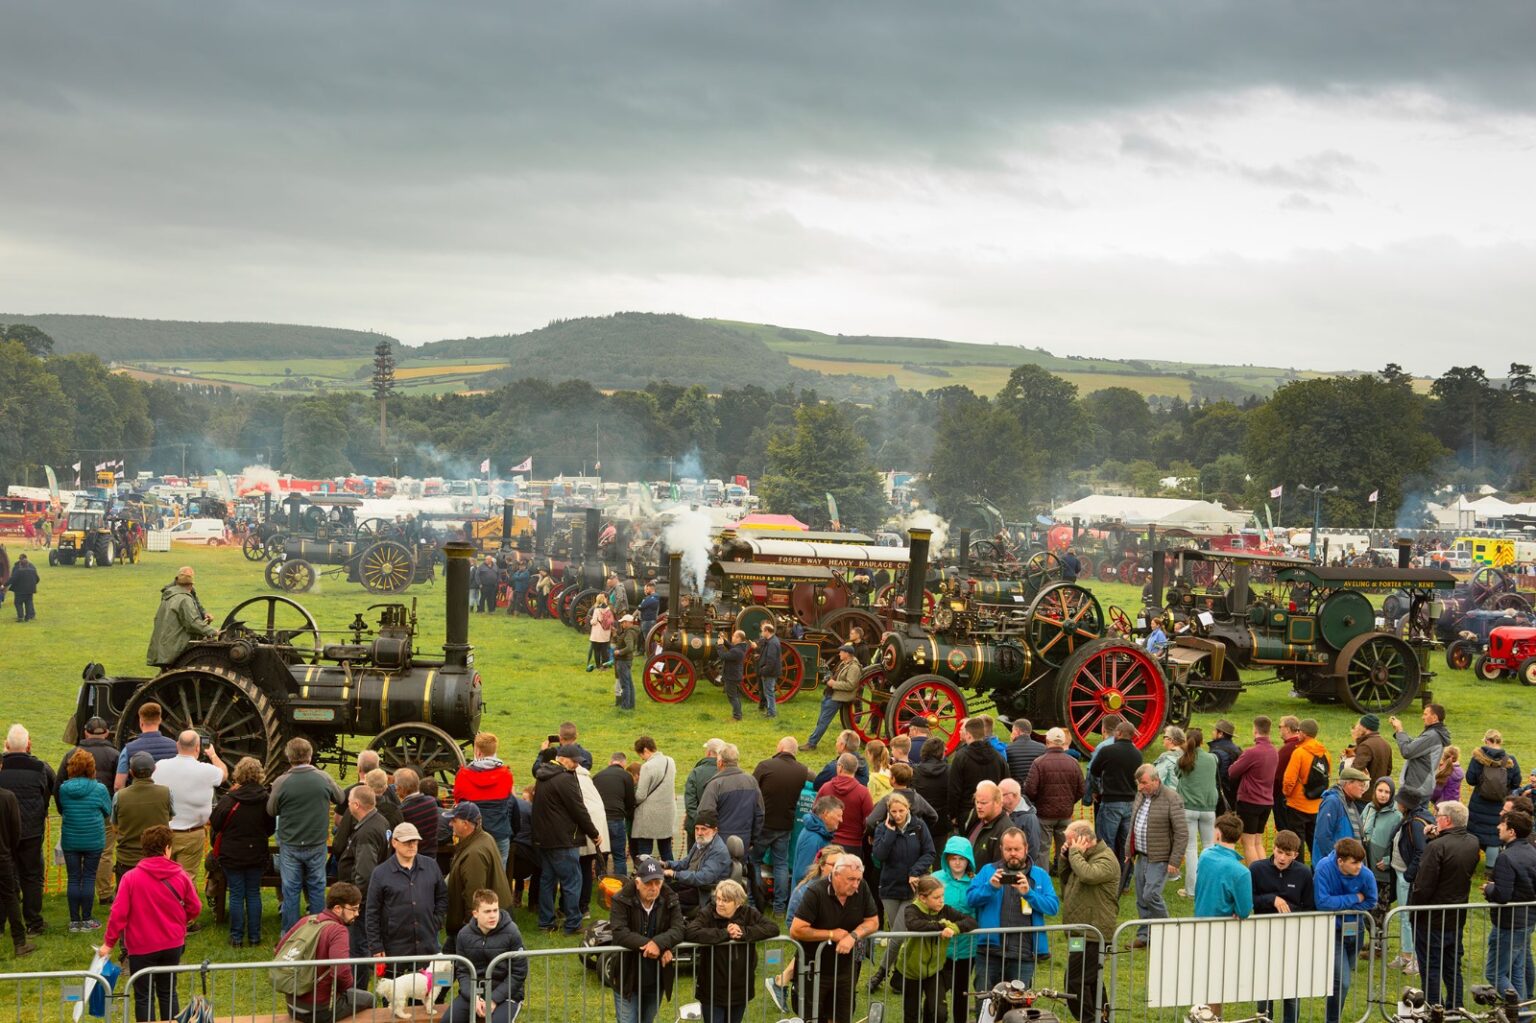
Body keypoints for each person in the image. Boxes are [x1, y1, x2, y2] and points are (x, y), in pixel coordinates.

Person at [97, 825, 201, 1023]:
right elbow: (195, 907)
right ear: (167, 848)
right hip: (172, 944)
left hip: (141, 947)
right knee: (169, 992)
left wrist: (108, 944)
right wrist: (180, 922)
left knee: (143, 996)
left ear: (144, 849)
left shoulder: (130, 878)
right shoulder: (181, 876)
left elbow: (118, 914)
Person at [790, 854, 880, 1023]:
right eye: (851, 879)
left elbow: (873, 922)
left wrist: (853, 936)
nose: (855, 884)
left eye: (858, 879)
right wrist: (831, 934)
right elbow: (796, 930)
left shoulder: (862, 889)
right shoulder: (815, 892)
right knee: (812, 1018)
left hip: (845, 969)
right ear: (836, 875)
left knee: (841, 1017)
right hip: (814, 968)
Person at [269, 737, 345, 933]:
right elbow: (340, 798)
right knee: (317, 887)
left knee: (291, 889)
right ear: (310, 756)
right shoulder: (323, 778)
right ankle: (318, 931)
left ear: (289, 757)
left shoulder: (281, 782)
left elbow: (271, 810)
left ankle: (291, 933)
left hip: (291, 843)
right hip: (316, 841)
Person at [967, 827, 1058, 990]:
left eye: (1017, 849)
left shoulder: (1040, 875)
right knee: (987, 1005)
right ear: (1001, 849)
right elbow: (971, 899)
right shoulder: (988, 871)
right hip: (989, 951)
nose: (1013, 853)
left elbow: (1053, 907)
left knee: (1019, 1009)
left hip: (1023, 953)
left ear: (1026, 848)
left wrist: (1029, 894)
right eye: (1008, 849)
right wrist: (990, 887)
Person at [1410, 800, 1480, 1009]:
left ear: (1447, 820)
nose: (1435, 819)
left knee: (1430, 967)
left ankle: (1434, 1011)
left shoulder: (1436, 847)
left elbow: (1423, 886)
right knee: (1452, 967)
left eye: (1438, 816)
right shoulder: (1473, 842)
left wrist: (1414, 911)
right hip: (1456, 916)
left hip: (1431, 917)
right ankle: (1455, 1008)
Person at [277, 883, 375, 1023]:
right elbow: (341, 971)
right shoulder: (338, 931)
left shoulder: (308, 920)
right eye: (353, 909)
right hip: (320, 1010)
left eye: (358, 909)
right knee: (369, 999)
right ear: (337, 908)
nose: (357, 914)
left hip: (292, 1006)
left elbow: (279, 949)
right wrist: (344, 991)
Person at [686, 878, 780, 1023]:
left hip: (740, 989)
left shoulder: (749, 913)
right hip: (712, 990)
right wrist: (725, 934)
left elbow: (773, 928)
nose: (720, 903)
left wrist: (744, 932)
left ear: (738, 903)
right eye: (718, 898)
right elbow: (691, 931)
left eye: (725, 900)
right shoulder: (707, 912)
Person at [866, 793, 936, 990]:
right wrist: (889, 832)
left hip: (912, 890)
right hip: (889, 888)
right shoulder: (882, 828)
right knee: (898, 936)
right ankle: (899, 979)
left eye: (901, 811)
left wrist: (915, 872)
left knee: (897, 935)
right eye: (893, 811)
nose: (897, 815)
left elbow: (929, 852)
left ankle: (879, 974)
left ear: (908, 809)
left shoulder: (920, 826)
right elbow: (879, 855)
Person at [532, 743, 602, 934]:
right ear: (563, 759)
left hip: (544, 839)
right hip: (563, 839)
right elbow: (578, 809)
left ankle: (546, 922)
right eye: (574, 762)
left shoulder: (543, 775)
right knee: (572, 880)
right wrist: (594, 833)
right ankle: (573, 923)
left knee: (547, 880)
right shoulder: (565, 779)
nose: (576, 766)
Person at [152, 729, 228, 901]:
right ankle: (185, 919)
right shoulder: (206, 770)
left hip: (164, 832)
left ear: (177, 745)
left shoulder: (159, 766)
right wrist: (214, 756)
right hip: (192, 833)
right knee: (187, 878)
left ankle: (163, 914)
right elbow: (224, 774)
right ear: (198, 748)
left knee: (163, 877)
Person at [209, 756, 275, 948]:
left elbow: (216, 822)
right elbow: (270, 827)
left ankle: (236, 937)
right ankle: (254, 936)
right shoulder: (265, 799)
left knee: (237, 894)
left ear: (239, 774)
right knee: (253, 893)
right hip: (257, 853)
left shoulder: (230, 799)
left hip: (232, 854)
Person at [893, 875, 978, 1023]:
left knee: (940, 1013)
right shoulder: (911, 909)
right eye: (936, 897)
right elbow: (914, 924)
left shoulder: (945, 909)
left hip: (934, 969)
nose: (941, 900)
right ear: (922, 898)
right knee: (911, 1014)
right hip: (911, 971)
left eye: (942, 896)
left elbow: (970, 921)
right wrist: (942, 926)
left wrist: (955, 927)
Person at [611, 858, 685, 1023]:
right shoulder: (621, 898)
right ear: (637, 883)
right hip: (627, 977)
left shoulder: (670, 897)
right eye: (648, 883)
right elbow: (619, 931)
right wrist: (654, 946)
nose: (654, 888)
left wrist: (659, 943)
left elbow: (679, 928)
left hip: (656, 978)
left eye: (657, 883)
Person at [365, 822, 448, 970]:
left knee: (430, 990)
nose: (411, 845)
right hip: (395, 947)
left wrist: (435, 921)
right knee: (394, 991)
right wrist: (376, 946)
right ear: (394, 842)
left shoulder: (431, 866)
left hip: (427, 944)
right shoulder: (380, 873)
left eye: (414, 841)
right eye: (407, 842)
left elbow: (442, 896)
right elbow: (372, 912)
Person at [1058, 820, 1118, 1022]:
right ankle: (1102, 1018)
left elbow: (1087, 875)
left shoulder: (1105, 859)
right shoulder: (1081, 857)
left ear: (1083, 840)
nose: (1068, 846)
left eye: (1070, 842)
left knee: (1074, 982)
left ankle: (1089, 1019)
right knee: (1092, 981)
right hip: (1080, 933)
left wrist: (1074, 854)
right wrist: (1065, 858)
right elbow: (1066, 879)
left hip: (1095, 934)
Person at [1251, 830, 1314, 1023]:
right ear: (1273, 848)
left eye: (1288, 854)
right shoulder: (1257, 869)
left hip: (1292, 936)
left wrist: (1290, 909)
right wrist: (1272, 899)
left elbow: (1309, 906)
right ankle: (1264, 1018)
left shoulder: (1303, 872)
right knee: (1264, 984)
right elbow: (1249, 899)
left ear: (1296, 854)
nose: (1282, 858)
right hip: (1263, 934)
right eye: (1279, 852)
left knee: (1292, 986)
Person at [57, 716, 120, 908]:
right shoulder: (115, 754)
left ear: (85, 732)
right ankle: (104, 893)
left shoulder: (71, 754)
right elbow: (120, 785)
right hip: (103, 813)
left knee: (76, 864)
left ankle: (79, 903)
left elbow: (58, 784)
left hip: (74, 815)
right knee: (105, 854)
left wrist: (64, 810)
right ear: (107, 733)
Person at [0, 724, 55, 935]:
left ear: (6, 744)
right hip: (31, 830)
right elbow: (50, 791)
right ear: (29, 745)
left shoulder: (2, 767)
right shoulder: (41, 768)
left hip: (3, 832)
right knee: (32, 876)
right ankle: (34, 922)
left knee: (5, 875)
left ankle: (3, 922)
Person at [1315, 838, 1377, 1023]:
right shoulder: (1323, 868)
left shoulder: (1365, 874)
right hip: (1332, 930)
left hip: (1355, 930)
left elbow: (1371, 901)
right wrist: (1354, 898)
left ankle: (1333, 1016)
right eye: (1354, 863)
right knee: (1342, 981)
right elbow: (1323, 903)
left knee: (1342, 979)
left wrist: (1342, 904)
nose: (1359, 867)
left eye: (1361, 862)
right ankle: (1332, 1020)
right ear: (1340, 861)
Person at [443, 889, 527, 1023]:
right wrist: (473, 997)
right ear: (475, 913)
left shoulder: (512, 932)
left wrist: (493, 999)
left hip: (507, 995)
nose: (493, 915)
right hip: (474, 993)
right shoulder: (463, 935)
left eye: (495, 910)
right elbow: (463, 971)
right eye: (487, 911)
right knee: (448, 1020)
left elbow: (518, 972)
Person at [1127, 764, 1187, 945]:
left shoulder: (1172, 798)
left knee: (1150, 894)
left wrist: (1175, 860)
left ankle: (1167, 931)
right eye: (1138, 783)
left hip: (1160, 858)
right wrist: (1128, 850)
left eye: (1144, 783)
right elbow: (1133, 824)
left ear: (1156, 780)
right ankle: (1145, 936)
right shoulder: (1140, 795)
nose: (1140, 787)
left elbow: (1182, 832)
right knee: (1141, 897)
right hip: (1141, 856)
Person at [55, 748, 113, 933]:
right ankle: (87, 919)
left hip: (71, 838)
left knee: (73, 878)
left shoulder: (64, 789)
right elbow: (107, 810)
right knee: (88, 877)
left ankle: (74, 921)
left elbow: (62, 808)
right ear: (91, 767)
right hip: (93, 838)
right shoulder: (100, 788)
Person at [753, 736, 812, 914]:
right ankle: (780, 907)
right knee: (781, 865)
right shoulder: (802, 771)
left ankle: (755, 902)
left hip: (763, 825)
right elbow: (817, 780)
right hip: (786, 826)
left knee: (754, 861)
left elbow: (751, 788)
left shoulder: (765, 766)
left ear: (780, 748)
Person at [1482, 810, 1536, 1001]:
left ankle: (1517, 1011)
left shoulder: (1506, 857)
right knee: (1517, 970)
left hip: (1509, 923)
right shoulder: (1532, 851)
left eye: (1502, 824)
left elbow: (1502, 895)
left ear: (1511, 831)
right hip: (1527, 921)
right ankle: (1522, 1017)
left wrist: (1489, 889)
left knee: (1494, 973)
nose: (1498, 827)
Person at [445, 802, 514, 946]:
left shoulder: (474, 854)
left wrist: (469, 931)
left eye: (454, 820)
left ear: (465, 824)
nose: (450, 824)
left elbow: (474, 895)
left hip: (479, 927)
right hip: (492, 919)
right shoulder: (484, 838)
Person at [1024, 727, 1083, 871]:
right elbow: (1081, 789)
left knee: (1042, 850)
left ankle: (1042, 885)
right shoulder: (1073, 763)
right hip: (1065, 814)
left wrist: (1039, 802)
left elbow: (1030, 790)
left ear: (1047, 741)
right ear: (1063, 742)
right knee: (1065, 851)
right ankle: (1066, 884)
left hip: (1044, 815)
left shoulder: (1039, 762)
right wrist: (1069, 802)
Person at [454, 731, 518, 864]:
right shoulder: (506, 775)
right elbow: (509, 799)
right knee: (498, 879)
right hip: (499, 833)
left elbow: (458, 801)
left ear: (477, 752)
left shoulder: (463, 775)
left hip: (473, 835)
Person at [112, 751, 172, 884]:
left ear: (131, 772)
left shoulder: (120, 796)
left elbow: (115, 827)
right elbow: (170, 817)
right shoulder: (165, 792)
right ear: (154, 769)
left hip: (127, 859)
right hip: (157, 859)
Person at [1089, 720, 1141, 868]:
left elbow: (1093, 772)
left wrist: (1095, 790)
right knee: (1126, 844)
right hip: (1131, 802)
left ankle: (1107, 873)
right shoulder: (1137, 754)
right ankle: (1124, 880)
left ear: (1118, 733)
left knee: (1106, 841)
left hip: (1111, 800)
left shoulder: (1107, 751)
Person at [698, 742, 764, 858]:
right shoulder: (752, 781)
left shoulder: (715, 784)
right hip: (743, 841)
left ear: (720, 762)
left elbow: (705, 815)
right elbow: (759, 814)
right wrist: (752, 839)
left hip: (719, 843)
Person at [1467, 730, 1521, 870]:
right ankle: (1490, 869)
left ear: (1486, 741)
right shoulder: (1510, 760)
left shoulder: (1478, 758)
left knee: (1474, 834)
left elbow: (1470, 780)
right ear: (1500, 741)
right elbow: (1517, 782)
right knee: (1493, 837)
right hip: (1499, 805)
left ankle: (1469, 864)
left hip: (1478, 802)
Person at [1228, 715, 1279, 864]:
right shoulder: (1273, 751)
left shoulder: (1252, 752)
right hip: (1267, 802)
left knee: (1248, 843)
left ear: (1254, 730)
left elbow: (1232, 772)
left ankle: (1255, 877)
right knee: (1258, 841)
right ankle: (1265, 874)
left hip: (1250, 801)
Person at [145, 566, 217, 666]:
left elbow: (196, 606)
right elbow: (192, 623)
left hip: (165, 643)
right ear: (191, 585)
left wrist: (204, 614)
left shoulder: (170, 594)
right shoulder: (184, 599)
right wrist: (213, 631)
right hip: (175, 646)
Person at [662, 810, 732, 910]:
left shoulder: (719, 851)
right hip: (691, 884)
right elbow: (685, 863)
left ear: (715, 830)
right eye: (697, 828)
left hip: (703, 892)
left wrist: (674, 874)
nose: (699, 833)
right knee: (662, 890)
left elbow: (703, 878)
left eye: (704, 829)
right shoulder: (701, 842)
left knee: (666, 898)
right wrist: (666, 864)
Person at [1280, 719, 1328, 862]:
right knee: (1314, 842)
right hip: (1316, 804)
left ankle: (1298, 871)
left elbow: (1289, 780)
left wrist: (1287, 794)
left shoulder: (1299, 753)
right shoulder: (1325, 753)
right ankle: (1318, 869)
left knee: (1296, 842)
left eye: (1299, 731)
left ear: (1304, 733)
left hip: (1297, 804)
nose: (1298, 733)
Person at [948, 719, 1005, 831]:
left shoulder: (960, 757)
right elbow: (1004, 785)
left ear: (968, 735)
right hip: (993, 813)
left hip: (967, 813)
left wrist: (953, 815)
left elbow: (954, 789)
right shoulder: (998, 757)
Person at [631, 736, 677, 862]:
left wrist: (631, 801)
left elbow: (641, 795)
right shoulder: (670, 761)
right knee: (666, 851)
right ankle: (671, 878)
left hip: (649, 816)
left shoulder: (647, 766)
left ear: (645, 750)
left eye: (641, 754)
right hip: (667, 812)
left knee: (645, 854)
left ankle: (647, 880)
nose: (642, 758)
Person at [113, 702, 178, 790]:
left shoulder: (128, 749)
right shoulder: (175, 746)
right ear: (159, 720)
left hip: (138, 799)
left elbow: (118, 785)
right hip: (168, 799)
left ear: (141, 722)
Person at [1312, 766, 1370, 866]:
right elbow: (1323, 837)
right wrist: (1339, 861)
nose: (1363, 789)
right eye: (1361, 785)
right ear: (1348, 783)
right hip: (1333, 867)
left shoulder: (1350, 803)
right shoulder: (1332, 802)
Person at [820, 753, 875, 857]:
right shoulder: (863, 792)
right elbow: (869, 821)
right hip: (853, 846)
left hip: (827, 842)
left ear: (840, 767)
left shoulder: (825, 788)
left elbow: (815, 814)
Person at [1391, 704, 1450, 800]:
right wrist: (1399, 733)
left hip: (1416, 788)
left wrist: (1400, 731)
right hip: (1422, 786)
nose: (1422, 717)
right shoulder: (1435, 733)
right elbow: (1417, 746)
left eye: (1425, 714)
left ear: (1434, 717)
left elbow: (1407, 751)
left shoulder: (1432, 735)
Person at [0, 782, 31, 958]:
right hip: (3, 855)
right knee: (10, 896)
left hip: (4, 854)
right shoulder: (7, 797)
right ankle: (20, 943)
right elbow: (15, 829)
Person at [595, 751, 638, 876]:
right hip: (616, 820)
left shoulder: (597, 776)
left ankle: (601, 885)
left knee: (601, 857)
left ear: (610, 762)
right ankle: (621, 887)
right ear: (623, 763)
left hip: (600, 821)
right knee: (619, 857)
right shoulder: (626, 776)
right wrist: (629, 817)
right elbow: (630, 802)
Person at [809, 644, 859, 750]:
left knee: (823, 721)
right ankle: (812, 741)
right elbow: (837, 676)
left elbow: (851, 685)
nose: (839, 653)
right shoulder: (844, 663)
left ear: (847, 654)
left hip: (837, 697)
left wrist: (833, 684)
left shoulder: (854, 667)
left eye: (841, 652)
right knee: (821, 720)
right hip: (831, 694)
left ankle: (811, 743)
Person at [794, 796, 844, 882]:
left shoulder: (820, 833)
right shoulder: (813, 839)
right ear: (826, 813)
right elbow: (803, 875)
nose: (841, 820)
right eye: (838, 815)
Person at [912, 739, 951, 850]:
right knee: (939, 855)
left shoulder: (915, 772)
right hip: (942, 820)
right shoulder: (949, 771)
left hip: (921, 819)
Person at [685, 738, 724, 848]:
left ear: (708, 752)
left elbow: (690, 803)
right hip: (720, 829)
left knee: (694, 861)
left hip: (697, 829)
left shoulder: (696, 772)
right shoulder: (727, 773)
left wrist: (700, 824)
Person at [394, 769, 440, 862]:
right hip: (431, 857)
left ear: (401, 789)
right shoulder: (431, 803)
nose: (396, 790)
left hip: (412, 860)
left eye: (397, 787)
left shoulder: (403, 811)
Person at [1208, 719, 1242, 815]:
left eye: (1215, 730)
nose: (1212, 732)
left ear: (1220, 734)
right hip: (1233, 795)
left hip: (1220, 798)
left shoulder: (1217, 752)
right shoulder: (1237, 749)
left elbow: (1216, 777)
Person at [1351, 714, 1394, 785]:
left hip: (1365, 792)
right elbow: (1388, 770)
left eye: (1361, 725)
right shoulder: (1386, 744)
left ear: (1365, 727)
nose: (1359, 727)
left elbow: (1355, 771)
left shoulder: (1365, 746)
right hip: (1379, 790)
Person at [717, 629, 749, 721]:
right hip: (735, 675)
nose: (732, 637)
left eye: (734, 636)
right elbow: (731, 647)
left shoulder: (737, 651)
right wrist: (724, 641)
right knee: (736, 696)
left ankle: (737, 716)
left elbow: (723, 656)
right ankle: (738, 714)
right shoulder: (740, 648)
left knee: (732, 697)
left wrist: (720, 645)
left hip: (731, 676)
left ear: (739, 638)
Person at [1005, 718, 1046, 788]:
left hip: (1018, 791)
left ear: (1017, 731)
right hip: (1036, 791)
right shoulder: (1043, 748)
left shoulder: (1008, 749)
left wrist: (1012, 743)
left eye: (1012, 731)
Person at [755, 621, 783, 719]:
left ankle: (771, 713)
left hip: (769, 673)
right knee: (768, 692)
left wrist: (764, 671)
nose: (762, 633)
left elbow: (771, 660)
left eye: (763, 631)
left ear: (767, 631)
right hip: (769, 671)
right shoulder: (771, 641)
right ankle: (770, 712)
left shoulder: (772, 643)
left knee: (769, 693)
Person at [612, 614, 640, 710]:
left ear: (629, 623)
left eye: (624, 622)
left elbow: (629, 647)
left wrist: (619, 652)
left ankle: (625, 706)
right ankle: (631, 704)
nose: (622, 624)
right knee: (629, 684)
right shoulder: (631, 632)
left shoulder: (629, 633)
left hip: (623, 660)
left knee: (625, 685)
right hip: (626, 660)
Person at [6, 553, 37, 621]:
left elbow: (13, 578)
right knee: (29, 602)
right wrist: (32, 584)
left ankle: (20, 617)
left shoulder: (17, 568)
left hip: (19, 589)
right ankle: (30, 616)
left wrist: (5, 585)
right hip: (30, 589)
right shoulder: (32, 567)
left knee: (18, 603)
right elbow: (37, 578)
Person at [588, 593, 614, 670]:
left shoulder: (597, 610)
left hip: (597, 634)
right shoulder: (608, 609)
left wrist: (590, 621)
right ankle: (605, 666)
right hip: (606, 634)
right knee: (604, 651)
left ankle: (599, 666)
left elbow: (594, 621)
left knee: (597, 651)